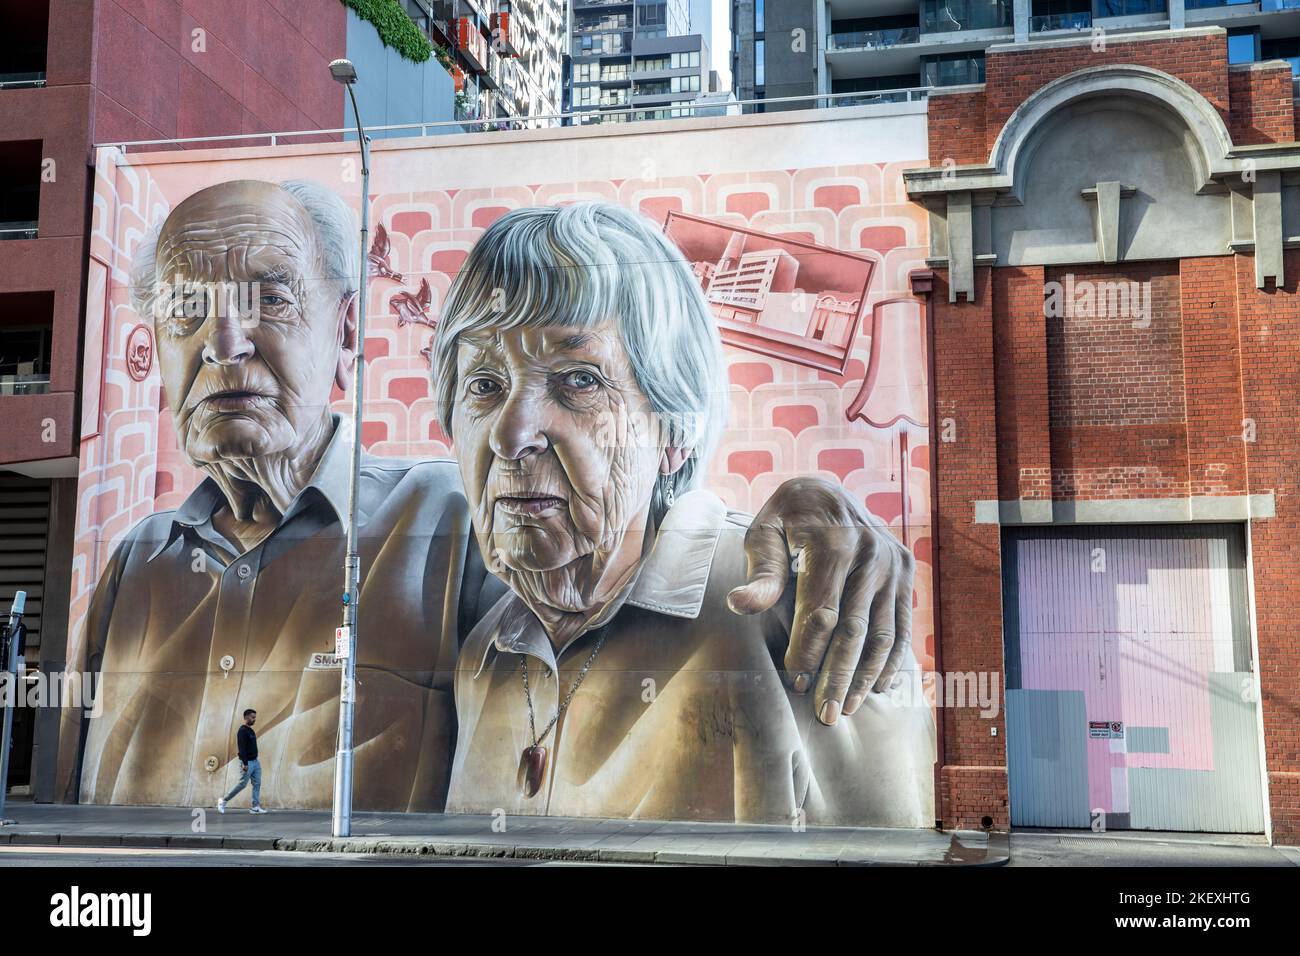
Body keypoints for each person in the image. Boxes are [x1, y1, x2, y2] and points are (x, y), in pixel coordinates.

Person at [57, 179, 918, 813]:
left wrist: (822, 517)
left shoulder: (448, 532)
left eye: (577, 379)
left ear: (346, 328)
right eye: (184, 309)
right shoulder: (133, 569)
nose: (224, 341)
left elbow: (648, 540)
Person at [439, 203, 934, 825]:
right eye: (483, 384)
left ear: (674, 430)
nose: (512, 435)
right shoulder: (486, 652)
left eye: (578, 379)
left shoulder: (795, 610)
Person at [217, 709, 266, 814]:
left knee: (257, 784)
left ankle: (255, 807)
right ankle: (223, 800)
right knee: (242, 784)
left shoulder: (251, 730)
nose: (254, 719)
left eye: (255, 717)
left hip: (255, 762)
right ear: (246, 717)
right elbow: (242, 748)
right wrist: (245, 763)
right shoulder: (242, 731)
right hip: (247, 762)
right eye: (253, 717)